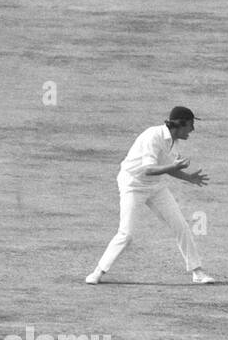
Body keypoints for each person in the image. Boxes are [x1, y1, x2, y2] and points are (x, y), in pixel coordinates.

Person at [85, 106, 214, 285]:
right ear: (180, 123)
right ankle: (98, 272)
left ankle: (197, 272)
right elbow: (148, 169)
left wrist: (188, 178)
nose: (192, 130)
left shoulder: (174, 142)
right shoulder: (153, 136)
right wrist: (174, 168)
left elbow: (166, 168)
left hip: (156, 187)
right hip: (133, 186)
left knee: (181, 226)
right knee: (127, 233)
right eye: (190, 125)